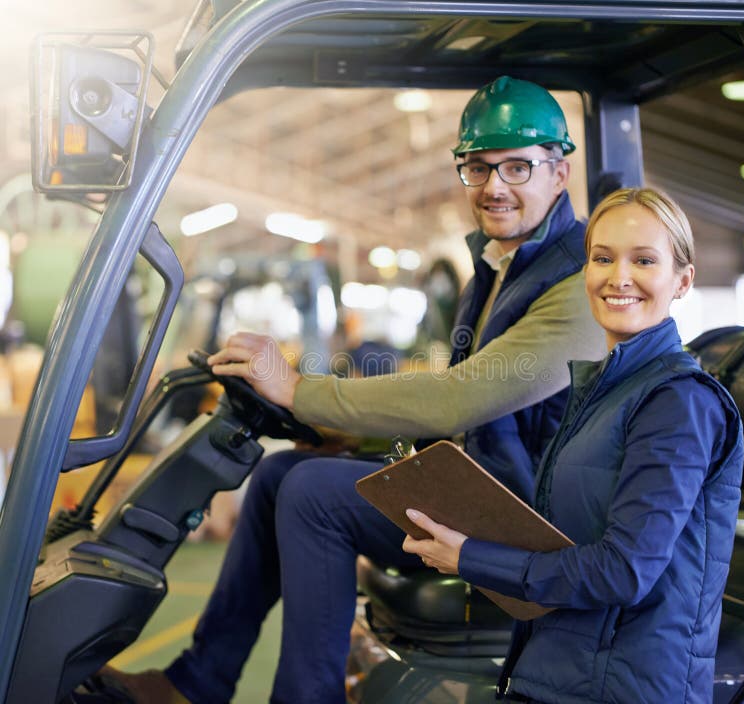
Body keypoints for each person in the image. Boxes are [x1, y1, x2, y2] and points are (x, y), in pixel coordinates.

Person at [101, 76, 605, 704]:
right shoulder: (499, 267)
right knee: (279, 476)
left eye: (517, 167)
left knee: (315, 494)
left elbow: (461, 399)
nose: (494, 186)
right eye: (477, 168)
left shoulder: (577, 287)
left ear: (559, 173)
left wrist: (301, 391)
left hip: (531, 521)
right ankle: (197, 682)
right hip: (489, 486)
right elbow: (470, 417)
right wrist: (340, 432)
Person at [402, 187, 744, 704]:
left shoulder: (678, 402)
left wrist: (472, 558)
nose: (618, 277)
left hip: (620, 687)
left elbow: (624, 571)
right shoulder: (601, 391)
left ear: (683, 280)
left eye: (644, 260)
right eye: (602, 258)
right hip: (561, 670)